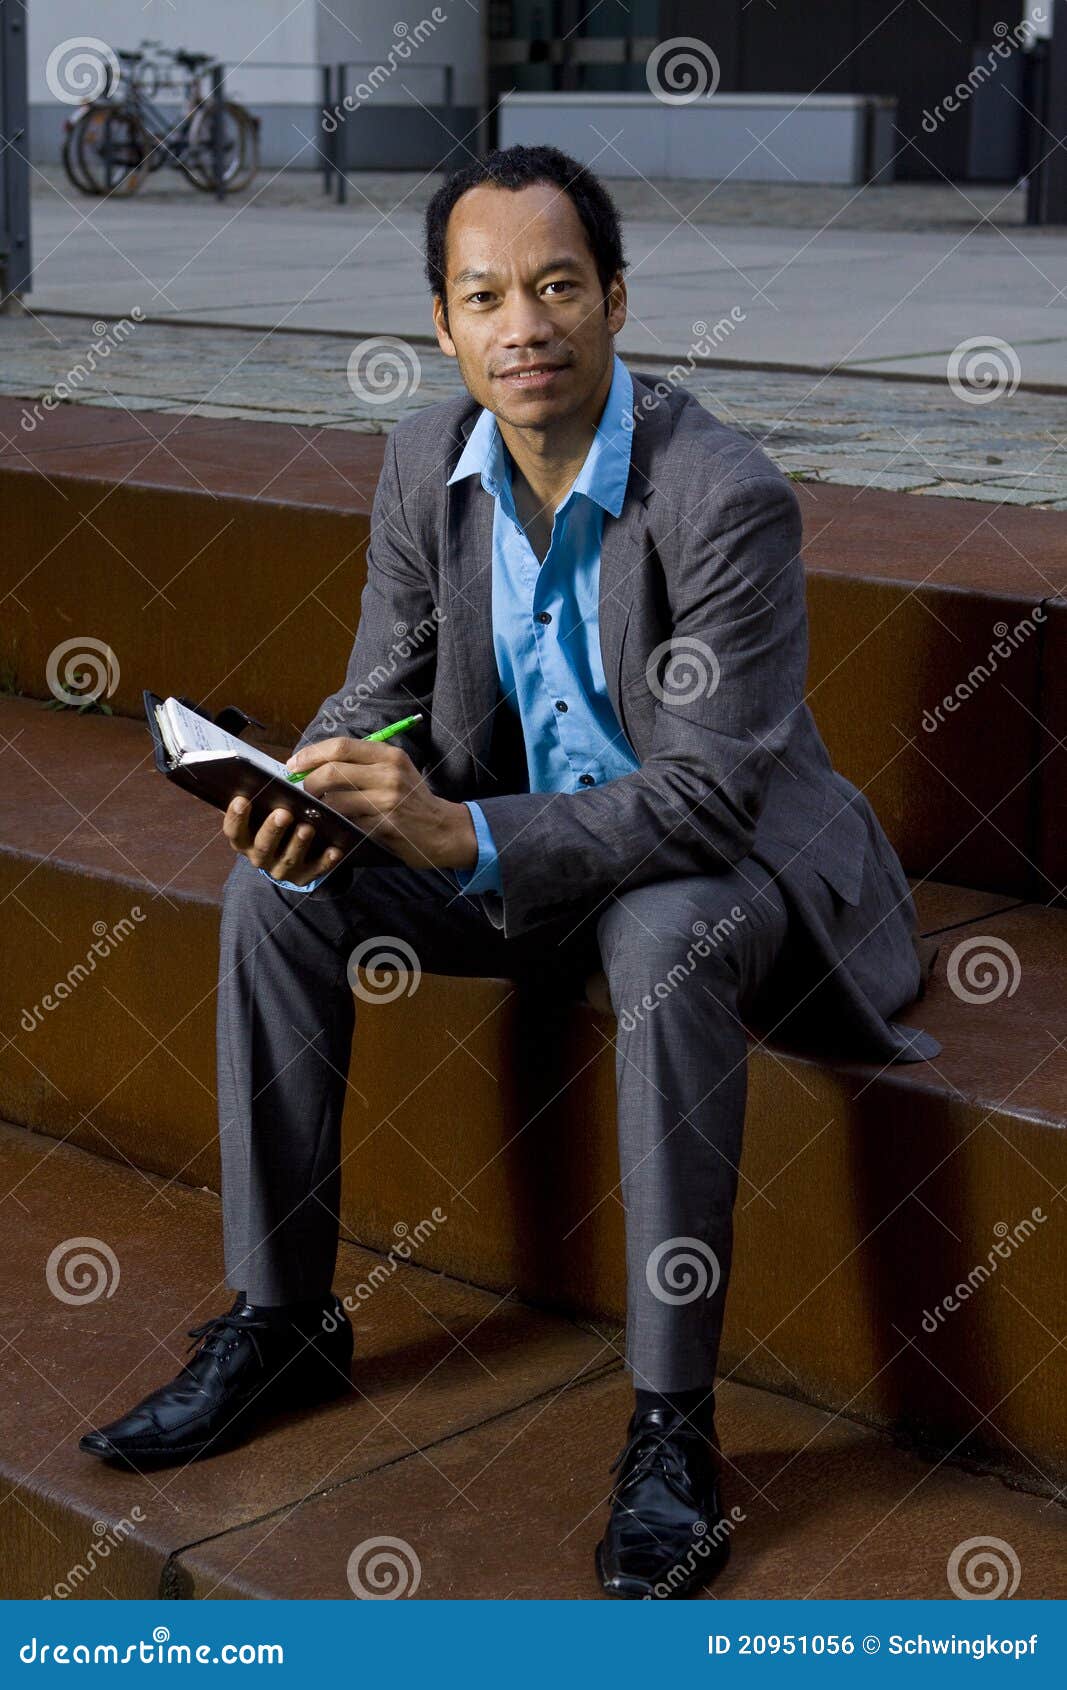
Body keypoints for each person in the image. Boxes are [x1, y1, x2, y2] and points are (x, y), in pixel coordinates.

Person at [79, 144, 940, 1599]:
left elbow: (708, 795)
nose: (522, 324)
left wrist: (464, 837)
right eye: (486, 297)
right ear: (444, 325)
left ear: (613, 300)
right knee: (279, 889)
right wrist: (316, 786)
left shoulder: (723, 494)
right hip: (526, 852)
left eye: (555, 287)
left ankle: (673, 1425)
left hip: (717, 866)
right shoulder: (427, 462)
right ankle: (284, 1318)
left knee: (662, 927)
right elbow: (383, 687)